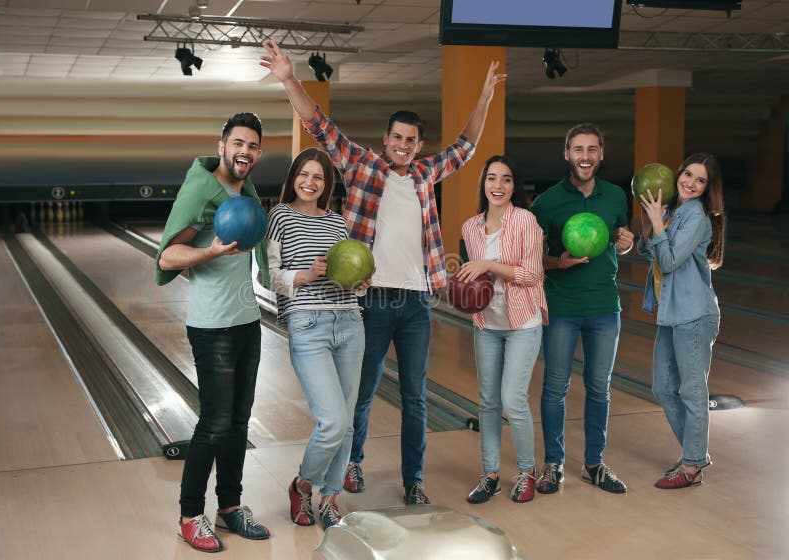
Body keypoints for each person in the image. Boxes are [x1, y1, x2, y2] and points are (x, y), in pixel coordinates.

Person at [260, 39, 506, 504]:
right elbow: (319, 125)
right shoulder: (362, 165)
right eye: (397, 138)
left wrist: (485, 99)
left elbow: (468, 146)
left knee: (415, 396)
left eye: (411, 140)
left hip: (415, 301)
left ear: (419, 145)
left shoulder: (425, 173)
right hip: (367, 298)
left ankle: (414, 479)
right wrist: (290, 79)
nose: (403, 145)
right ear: (386, 139)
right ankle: (351, 463)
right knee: (362, 393)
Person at [156, 113, 271, 552]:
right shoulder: (201, 190)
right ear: (222, 144)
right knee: (215, 423)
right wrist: (210, 252)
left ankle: (230, 506)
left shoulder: (249, 191)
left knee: (239, 422)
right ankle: (189, 515)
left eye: (253, 146)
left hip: (248, 322)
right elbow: (167, 257)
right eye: (238, 143)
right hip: (212, 328)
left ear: (259, 152)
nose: (245, 151)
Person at [530, 123, 635, 496]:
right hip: (561, 306)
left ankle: (594, 463)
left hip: (605, 306)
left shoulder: (616, 197)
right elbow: (530, 257)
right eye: (578, 149)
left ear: (601, 153)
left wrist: (626, 244)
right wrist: (558, 263)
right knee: (555, 388)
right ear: (567, 154)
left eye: (592, 149)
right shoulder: (546, 202)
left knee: (599, 389)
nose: (585, 156)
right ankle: (553, 463)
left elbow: (616, 245)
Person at [266, 147, 367, 529]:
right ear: (293, 177)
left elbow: (348, 280)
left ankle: (330, 497)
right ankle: (302, 485)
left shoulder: (338, 224)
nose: (310, 182)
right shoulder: (279, 216)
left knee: (348, 421)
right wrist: (305, 276)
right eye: (304, 175)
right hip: (308, 325)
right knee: (333, 420)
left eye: (319, 178)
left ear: (327, 185)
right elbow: (269, 274)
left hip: (350, 322)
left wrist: (360, 284)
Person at [457, 155, 547, 505]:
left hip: (523, 322)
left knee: (513, 399)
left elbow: (532, 275)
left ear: (514, 186)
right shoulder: (470, 227)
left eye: (506, 179)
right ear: (484, 183)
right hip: (487, 325)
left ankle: (526, 471)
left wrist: (490, 264)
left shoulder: (526, 222)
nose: (498, 185)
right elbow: (473, 277)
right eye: (492, 178)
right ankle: (490, 474)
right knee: (489, 402)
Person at [637, 152, 725, 489]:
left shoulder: (697, 218)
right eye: (687, 174)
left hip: (694, 315)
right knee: (662, 386)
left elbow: (671, 261)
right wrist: (650, 223)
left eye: (699, 180)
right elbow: (654, 254)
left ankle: (691, 464)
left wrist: (659, 224)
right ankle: (695, 454)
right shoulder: (674, 212)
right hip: (673, 313)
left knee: (692, 391)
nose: (690, 182)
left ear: (707, 188)